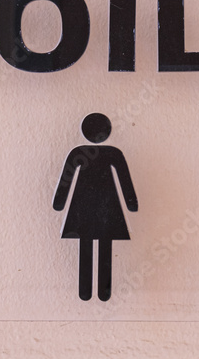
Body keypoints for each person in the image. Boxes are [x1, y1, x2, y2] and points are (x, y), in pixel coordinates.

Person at [53, 113, 138, 301]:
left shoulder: (82, 153)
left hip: (86, 205)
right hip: (106, 205)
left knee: (87, 244)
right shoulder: (112, 153)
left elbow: (66, 180)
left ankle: (88, 290)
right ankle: (100, 291)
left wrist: (59, 202)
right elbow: (124, 181)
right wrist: (131, 203)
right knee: (103, 244)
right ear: (107, 131)